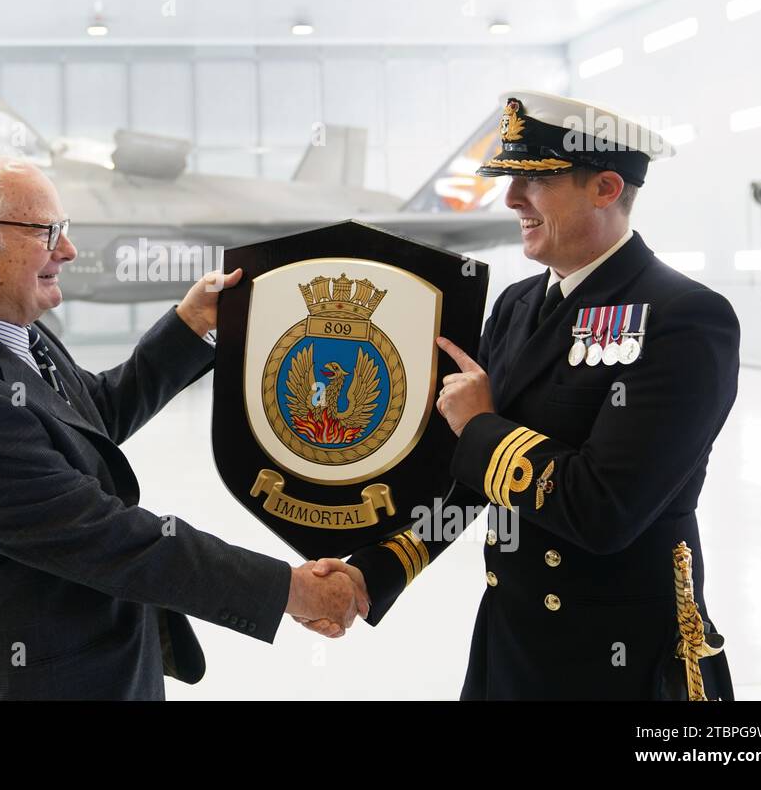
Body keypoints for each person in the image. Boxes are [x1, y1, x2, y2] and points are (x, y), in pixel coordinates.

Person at [302, 90, 738, 700]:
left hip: (617, 656)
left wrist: (481, 425)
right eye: (509, 180)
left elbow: (602, 509)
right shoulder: (517, 306)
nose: (510, 199)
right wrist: (370, 574)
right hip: (513, 637)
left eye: (534, 181)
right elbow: (468, 483)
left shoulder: (683, 317)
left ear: (606, 188)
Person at [0, 153, 366, 700]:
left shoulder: (3, 329)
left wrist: (191, 325)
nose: (66, 250)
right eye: (46, 232)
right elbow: (118, 543)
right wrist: (290, 590)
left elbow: (91, 413)